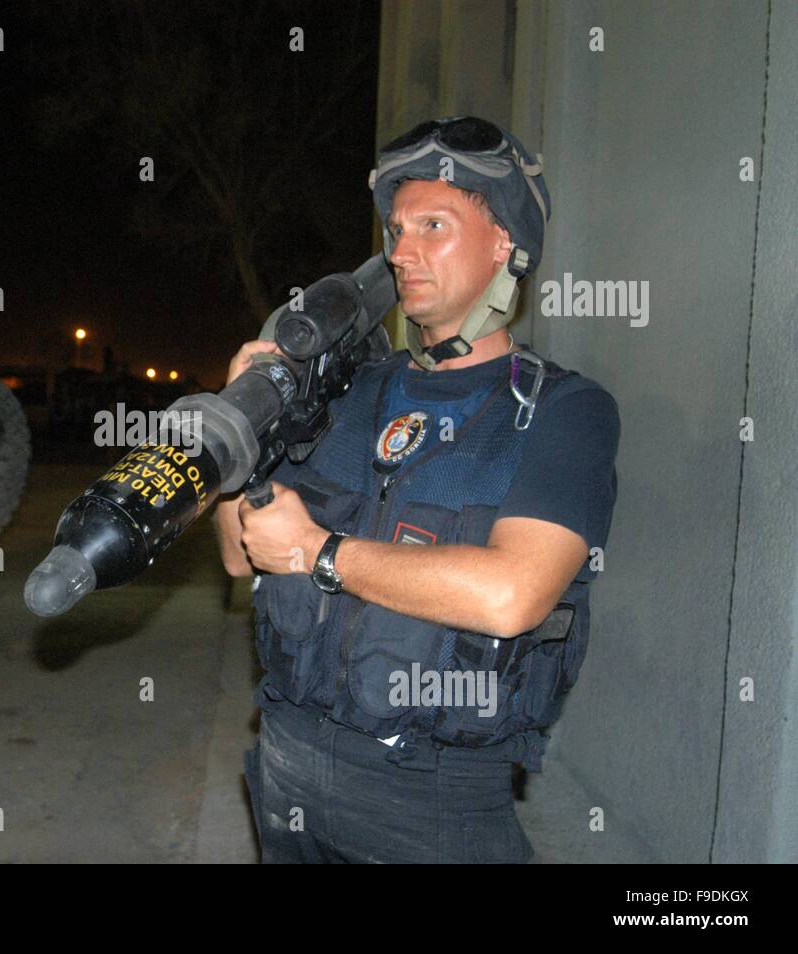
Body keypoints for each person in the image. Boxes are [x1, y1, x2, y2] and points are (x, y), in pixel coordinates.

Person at [214, 116, 620, 863]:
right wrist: (245, 432)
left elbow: (512, 594)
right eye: (398, 230)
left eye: (434, 225)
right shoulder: (346, 394)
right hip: (286, 767)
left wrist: (317, 550)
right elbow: (241, 557)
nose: (402, 251)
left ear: (506, 246)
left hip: (432, 798)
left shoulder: (563, 411)